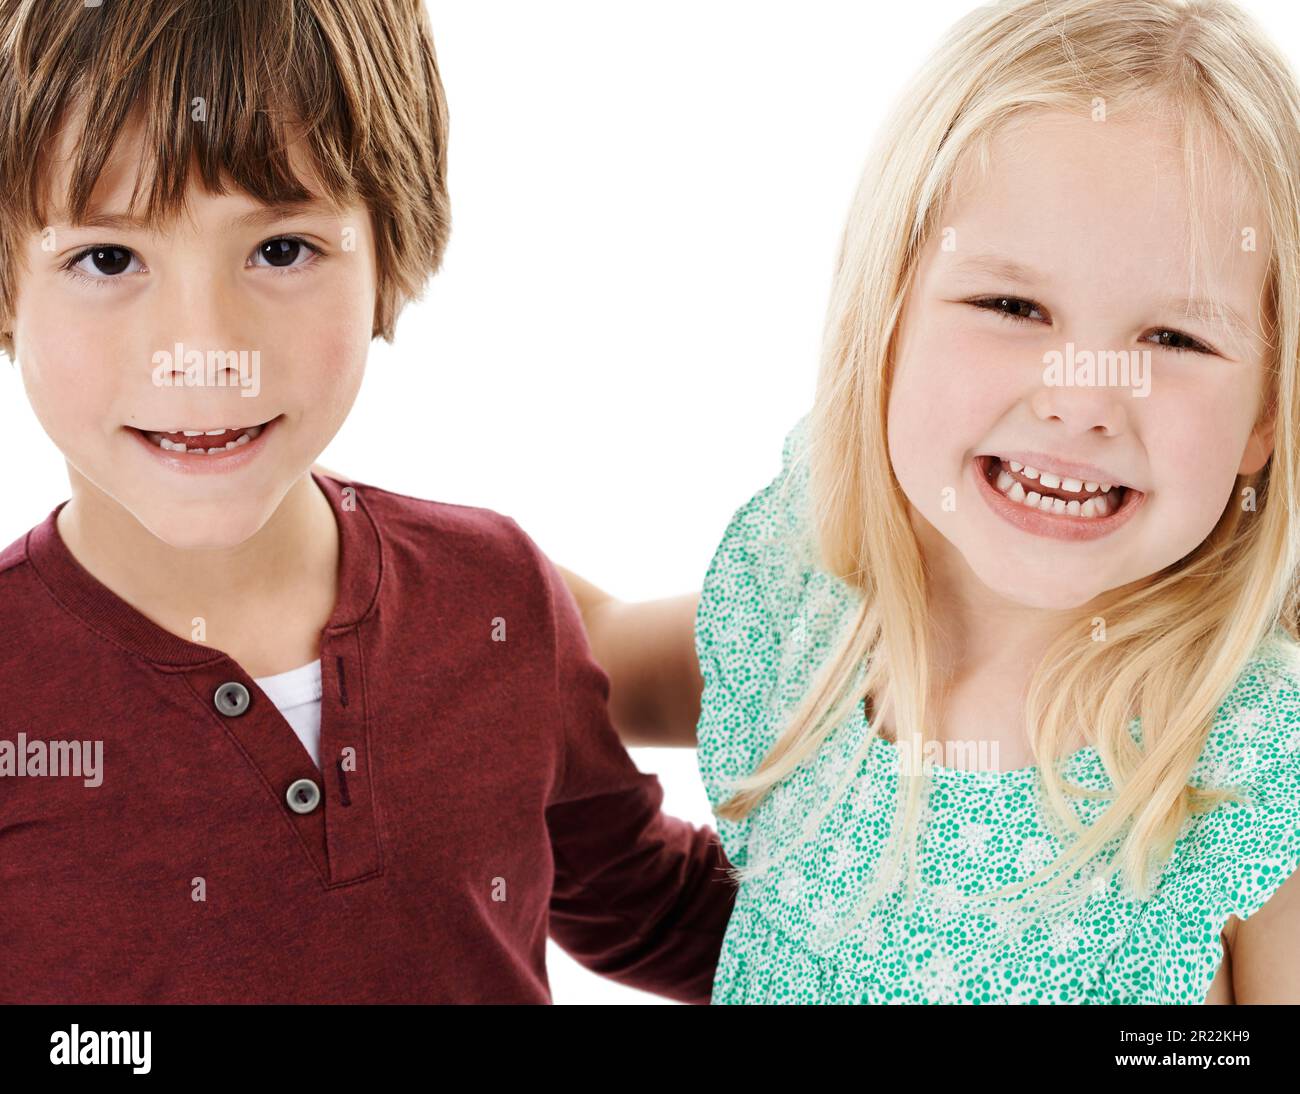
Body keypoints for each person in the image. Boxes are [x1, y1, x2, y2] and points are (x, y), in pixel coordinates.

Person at [562, 0, 1300, 1003]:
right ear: (887, 318)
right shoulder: (809, 616)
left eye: (1173, 338)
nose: (1080, 398)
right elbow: (573, 655)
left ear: (1267, 411)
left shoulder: (1256, 772)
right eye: (1012, 306)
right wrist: (334, 523)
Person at [0, 0, 736, 1004]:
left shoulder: (495, 594)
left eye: (282, 249)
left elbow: (659, 907)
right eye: (107, 257)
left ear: (391, 246)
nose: (202, 346)